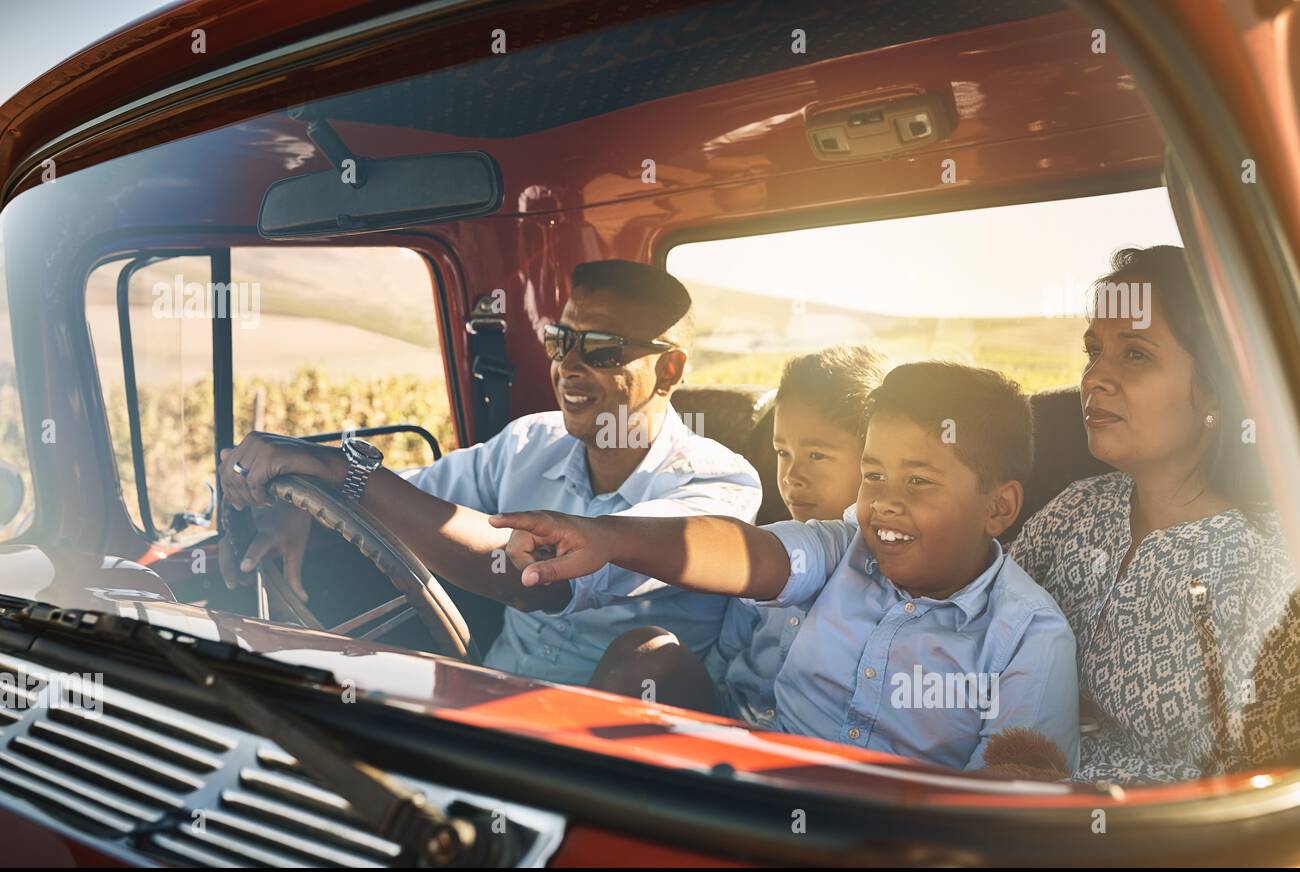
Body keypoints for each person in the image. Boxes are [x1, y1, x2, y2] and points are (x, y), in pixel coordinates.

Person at [494, 362, 1080, 772]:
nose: (885, 502)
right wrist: (610, 536)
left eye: (919, 481)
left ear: (997, 507)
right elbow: (750, 555)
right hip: (758, 784)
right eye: (873, 475)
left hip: (894, 837)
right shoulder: (843, 547)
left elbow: (1014, 789)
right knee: (643, 653)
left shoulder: (1028, 633)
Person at [218, 260, 761, 684]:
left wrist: (345, 471)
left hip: (621, 753)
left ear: (669, 369)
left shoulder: (717, 487)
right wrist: (298, 507)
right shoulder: (530, 443)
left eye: (600, 350)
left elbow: (539, 584)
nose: (567, 366)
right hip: (493, 705)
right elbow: (411, 497)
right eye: (560, 341)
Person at [1010, 245, 1300, 783]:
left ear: (1215, 387)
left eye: (1136, 354)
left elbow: (1261, 795)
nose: (1095, 376)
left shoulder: (1273, 568)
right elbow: (977, 621)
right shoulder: (1074, 510)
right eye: (1092, 351)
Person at [585, 346, 879, 719]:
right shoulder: (763, 550)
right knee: (645, 651)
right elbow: (726, 658)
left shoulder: (884, 569)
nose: (792, 476)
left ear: (874, 460)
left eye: (817, 456)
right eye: (782, 453)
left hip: (811, 748)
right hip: (732, 725)